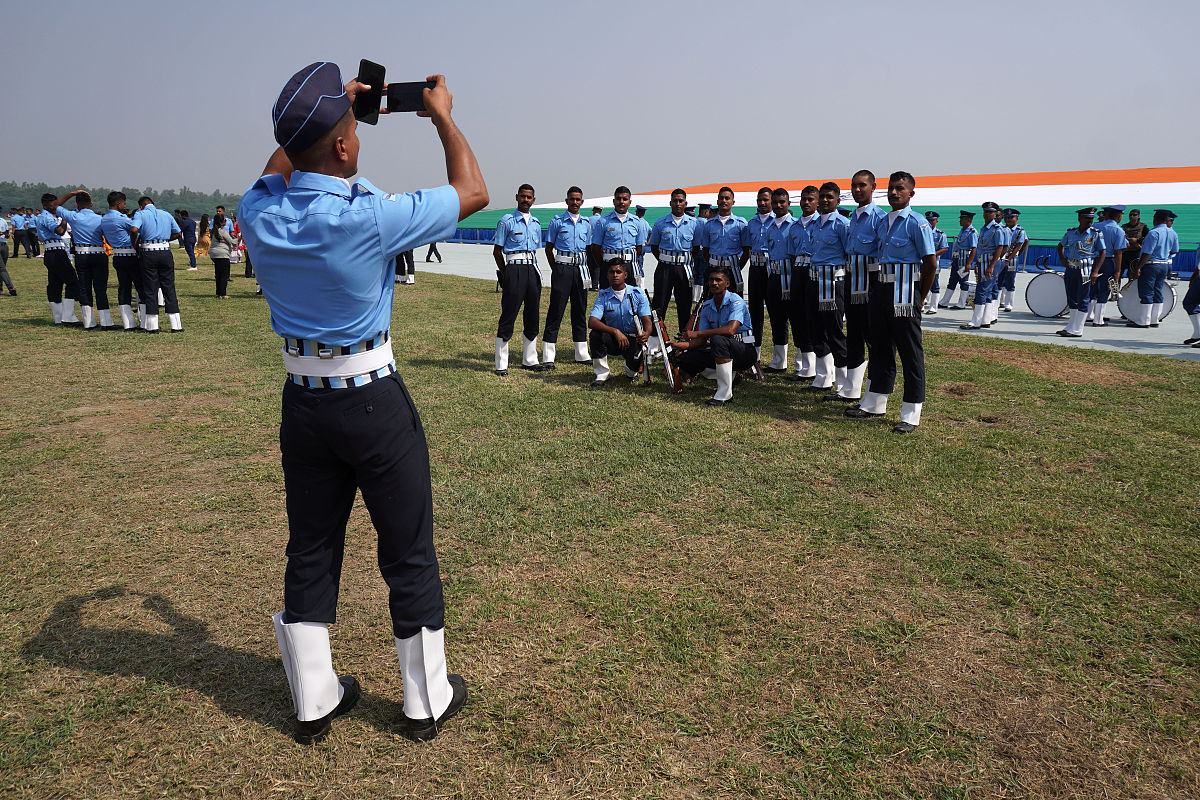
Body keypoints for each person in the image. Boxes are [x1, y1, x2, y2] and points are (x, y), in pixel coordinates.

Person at [239, 62, 486, 745]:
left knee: (312, 544)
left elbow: (283, 163)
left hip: (304, 404)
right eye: (350, 129)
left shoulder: (259, 210)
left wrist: (321, 117)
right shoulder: (368, 217)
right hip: (372, 399)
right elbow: (473, 190)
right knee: (406, 547)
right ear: (346, 147)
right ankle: (423, 699)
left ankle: (314, 697)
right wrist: (440, 114)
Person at [845, 172, 937, 433]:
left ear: (911, 193)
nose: (894, 193)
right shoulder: (884, 221)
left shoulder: (917, 223)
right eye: (891, 189)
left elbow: (930, 264)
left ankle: (911, 412)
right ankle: (875, 402)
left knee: (910, 353)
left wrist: (920, 297)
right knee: (880, 348)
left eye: (900, 189)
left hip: (905, 293)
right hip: (881, 290)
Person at [672, 265, 756, 406]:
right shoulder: (707, 306)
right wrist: (678, 346)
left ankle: (724, 395)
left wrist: (697, 332)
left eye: (718, 280)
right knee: (686, 359)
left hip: (745, 351)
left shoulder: (736, 301)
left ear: (727, 284)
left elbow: (730, 330)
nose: (714, 283)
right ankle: (731, 377)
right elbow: (701, 341)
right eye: (711, 280)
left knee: (718, 339)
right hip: (722, 349)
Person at [802, 182, 853, 397]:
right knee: (815, 329)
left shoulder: (843, 224)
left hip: (832, 283)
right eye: (822, 196)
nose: (824, 200)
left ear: (838, 200)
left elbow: (849, 255)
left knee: (834, 331)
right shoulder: (813, 225)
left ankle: (843, 384)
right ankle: (823, 377)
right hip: (813, 280)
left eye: (829, 197)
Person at [493, 184, 544, 374]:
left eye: (529, 197)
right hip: (514, 268)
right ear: (516, 197)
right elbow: (497, 251)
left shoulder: (536, 223)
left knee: (532, 314)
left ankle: (530, 360)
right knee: (509, 314)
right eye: (522, 196)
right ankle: (501, 363)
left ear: (533, 199)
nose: (525, 200)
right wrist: (506, 273)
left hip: (532, 269)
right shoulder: (506, 221)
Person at [541, 186, 594, 369]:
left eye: (578, 199)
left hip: (580, 270)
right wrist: (555, 270)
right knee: (556, 310)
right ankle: (548, 355)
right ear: (566, 201)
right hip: (562, 268)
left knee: (580, 310)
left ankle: (581, 353)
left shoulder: (586, 223)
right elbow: (549, 249)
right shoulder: (557, 222)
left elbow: (588, 250)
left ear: (582, 202)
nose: (575, 202)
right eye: (571, 199)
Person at [845, 170, 886, 396]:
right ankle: (851, 389)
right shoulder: (854, 216)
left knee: (873, 337)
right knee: (854, 334)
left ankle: (873, 392)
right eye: (854, 186)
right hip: (852, 280)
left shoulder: (879, 218)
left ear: (873, 187)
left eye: (862, 185)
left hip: (871, 282)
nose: (857, 190)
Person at [55, 190, 116, 329]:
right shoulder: (100, 219)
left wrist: (71, 193)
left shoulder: (73, 216)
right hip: (99, 253)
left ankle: (89, 322)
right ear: (91, 204)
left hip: (81, 254)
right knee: (100, 288)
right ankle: (106, 321)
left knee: (84, 288)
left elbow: (55, 205)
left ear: (77, 204)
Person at [586, 260, 651, 387]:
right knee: (595, 335)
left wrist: (646, 333)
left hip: (633, 339)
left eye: (618, 272)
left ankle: (630, 370)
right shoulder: (603, 295)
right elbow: (592, 322)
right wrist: (615, 331)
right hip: (614, 339)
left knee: (634, 366)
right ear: (607, 275)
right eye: (611, 272)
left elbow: (647, 320)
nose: (615, 275)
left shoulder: (638, 294)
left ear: (625, 275)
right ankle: (602, 373)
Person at [649, 188, 699, 340]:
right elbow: (654, 247)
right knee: (659, 304)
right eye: (675, 201)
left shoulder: (694, 224)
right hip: (664, 267)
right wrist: (667, 260)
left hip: (684, 268)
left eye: (681, 201)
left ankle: (684, 339)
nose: (678, 204)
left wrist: (681, 260)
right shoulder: (660, 223)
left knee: (684, 305)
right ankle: (655, 340)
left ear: (685, 203)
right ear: (670, 203)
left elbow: (696, 249)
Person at [131, 195, 183, 333]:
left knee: (150, 288)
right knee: (169, 287)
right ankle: (176, 324)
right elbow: (178, 233)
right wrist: (166, 238)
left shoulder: (141, 214)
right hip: (165, 251)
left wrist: (134, 243)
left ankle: (153, 325)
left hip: (148, 251)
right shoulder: (165, 214)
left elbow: (134, 230)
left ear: (141, 206)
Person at [760, 188, 797, 374]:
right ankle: (778, 361)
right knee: (776, 318)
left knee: (796, 319)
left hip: (790, 277)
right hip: (773, 276)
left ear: (788, 203)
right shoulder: (769, 226)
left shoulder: (796, 225)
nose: (778, 205)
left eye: (782, 202)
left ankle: (802, 365)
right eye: (775, 202)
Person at [785, 185, 820, 380]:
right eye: (804, 199)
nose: (806, 203)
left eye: (811, 199)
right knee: (797, 316)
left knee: (812, 317)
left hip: (815, 271)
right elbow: (791, 254)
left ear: (817, 202)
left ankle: (816, 368)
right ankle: (804, 367)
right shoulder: (794, 226)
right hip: (798, 270)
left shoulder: (820, 224)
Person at [1055, 207, 1106, 337]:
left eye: (1091, 219)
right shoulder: (1071, 232)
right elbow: (1061, 245)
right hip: (1071, 268)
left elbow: (1102, 252)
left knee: (1083, 298)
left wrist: (1095, 271)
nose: (1090, 221)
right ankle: (1071, 326)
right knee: (1072, 298)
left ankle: (1078, 329)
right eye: (1087, 218)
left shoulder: (1095, 233)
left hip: (1086, 270)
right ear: (1079, 218)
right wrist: (1062, 259)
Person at [33, 193, 81, 325]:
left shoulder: (48, 214)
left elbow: (58, 203)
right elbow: (60, 231)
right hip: (56, 252)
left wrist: (71, 194)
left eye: (56, 205)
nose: (55, 208)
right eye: (52, 206)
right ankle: (68, 316)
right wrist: (64, 219)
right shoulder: (46, 217)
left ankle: (58, 316)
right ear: (44, 205)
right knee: (72, 282)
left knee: (55, 284)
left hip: (51, 252)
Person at [960, 202, 1010, 330]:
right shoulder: (984, 228)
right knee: (987, 291)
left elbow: (1000, 248)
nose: (987, 214)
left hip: (990, 261)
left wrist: (992, 266)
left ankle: (975, 322)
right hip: (983, 261)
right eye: (985, 211)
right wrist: (977, 263)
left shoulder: (997, 229)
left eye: (990, 212)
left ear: (995, 214)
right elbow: (981, 248)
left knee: (981, 291)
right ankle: (985, 320)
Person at [1126, 209, 1179, 328]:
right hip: (1165, 264)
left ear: (1156, 219)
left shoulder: (1153, 233)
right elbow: (1175, 250)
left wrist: (1138, 268)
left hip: (1151, 264)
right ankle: (1155, 319)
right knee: (1158, 291)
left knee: (1146, 292)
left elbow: (1147, 253)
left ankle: (1144, 320)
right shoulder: (1172, 232)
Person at [589, 186, 648, 289]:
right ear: (614, 201)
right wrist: (603, 266)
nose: (621, 202)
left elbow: (639, 248)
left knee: (629, 298)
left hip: (629, 266)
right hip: (609, 266)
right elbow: (595, 248)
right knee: (608, 298)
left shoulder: (636, 222)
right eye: (618, 198)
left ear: (630, 202)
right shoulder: (603, 221)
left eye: (625, 199)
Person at [100, 191, 144, 330]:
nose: (125, 206)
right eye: (124, 204)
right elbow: (136, 229)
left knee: (124, 289)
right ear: (119, 204)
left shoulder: (104, 218)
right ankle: (144, 322)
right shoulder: (121, 218)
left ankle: (128, 323)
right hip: (131, 255)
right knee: (140, 287)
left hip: (118, 256)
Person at [694, 186, 748, 295]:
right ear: (717, 201)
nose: (724, 201)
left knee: (734, 302)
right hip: (713, 268)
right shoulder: (709, 224)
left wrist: (736, 267)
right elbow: (705, 250)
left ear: (733, 202)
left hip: (732, 270)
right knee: (710, 301)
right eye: (721, 198)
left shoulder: (741, 224)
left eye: (727, 198)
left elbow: (746, 251)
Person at [742, 187, 774, 366]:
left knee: (776, 311)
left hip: (772, 269)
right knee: (755, 312)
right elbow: (746, 248)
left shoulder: (777, 221)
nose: (762, 203)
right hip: (755, 268)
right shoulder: (751, 223)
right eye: (759, 200)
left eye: (765, 200)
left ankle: (780, 357)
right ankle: (755, 354)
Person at [1088, 205, 1127, 326]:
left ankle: (1089, 315)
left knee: (1092, 287)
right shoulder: (1118, 230)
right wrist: (1118, 271)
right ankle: (1098, 320)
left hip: (1093, 260)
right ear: (1118, 216)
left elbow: (1088, 243)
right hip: (1108, 261)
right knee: (1105, 289)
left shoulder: (1094, 226)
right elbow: (1118, 251)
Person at [940, 211, 977, 309]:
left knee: (963, 281)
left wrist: (969, 263)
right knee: (952, 280)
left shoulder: (972, 232)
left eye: (962, 219)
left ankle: (961, 303)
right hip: (957, 258)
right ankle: (945, 301)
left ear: (968, 219)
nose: (960, 220)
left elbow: (974, 249)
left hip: (964, 259)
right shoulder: (962, 230)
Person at [921, 211, 949, 313]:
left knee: (934, 284)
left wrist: (932, 255)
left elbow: (945, 248)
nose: (930, 222)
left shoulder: (940, 234)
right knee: (920, 283)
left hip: (934, 263)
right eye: (928, 220)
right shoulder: (922, 232)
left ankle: (933, 306)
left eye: (932, 220)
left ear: (936, 221)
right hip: (921, 262)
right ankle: (921, 303)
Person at [209, 212, 235, 298]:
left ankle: (218, 293)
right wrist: (241, 237)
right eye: (225, 220)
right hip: (222, 254)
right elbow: (232, 242)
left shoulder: (213, 231)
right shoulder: (222, 231)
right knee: (224, 275)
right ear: (222, 222)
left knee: (218, 274)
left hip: (214, 254)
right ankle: (223, 294)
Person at [1121, 208, 1149, 284]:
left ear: (1138, 216)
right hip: (1124, 252)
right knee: (1119, 273)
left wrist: (1137, 241)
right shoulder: (1124, 226)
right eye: (1130, 215)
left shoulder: (1143, 226)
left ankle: (1130, 292)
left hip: (1135, 253)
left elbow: (1147, 239)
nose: (1132, 216)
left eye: (1134, 215)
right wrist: (1130, 240)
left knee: (1132, 274)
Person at [0, 212, 13, 295]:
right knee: (2, 268)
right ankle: (10, 287)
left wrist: (6, 234)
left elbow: (7, 235)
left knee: (2, 268)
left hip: (3, 245)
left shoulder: (3, 221)